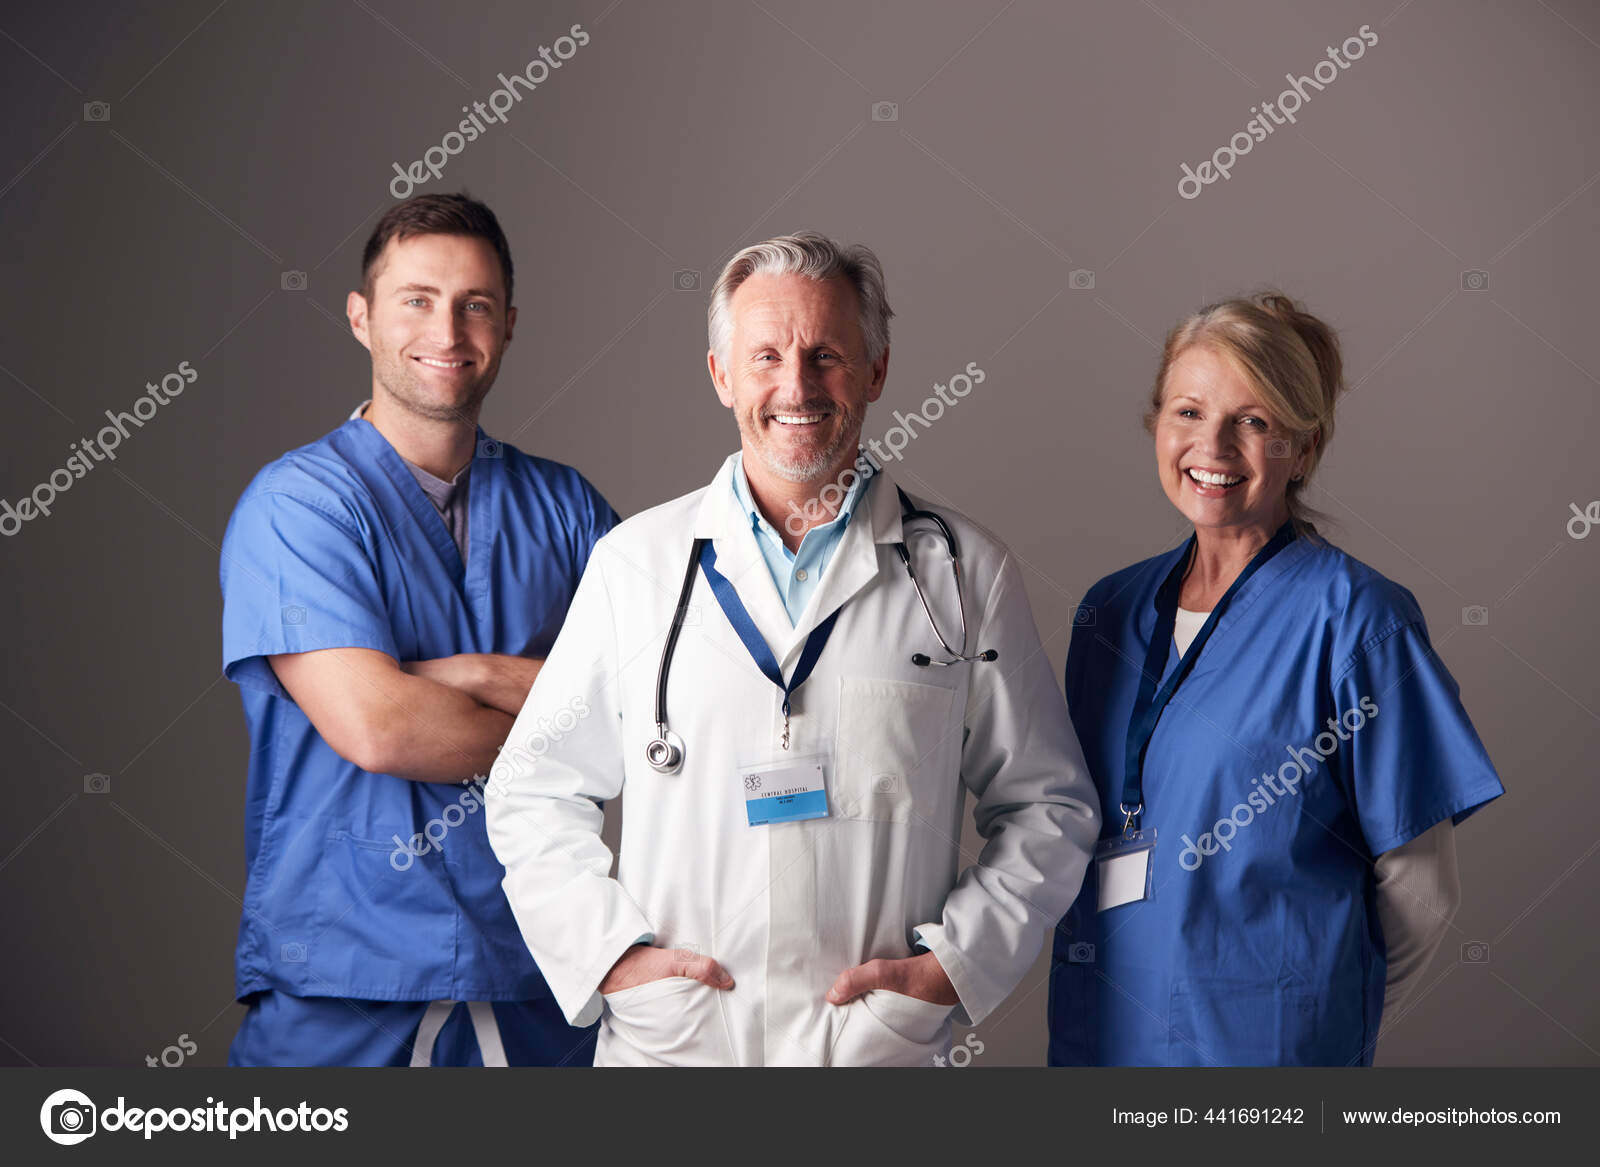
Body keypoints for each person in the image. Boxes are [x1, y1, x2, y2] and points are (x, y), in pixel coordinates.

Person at [485, 231, 1099, 1066]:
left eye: (826, 356)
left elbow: (1048, 805)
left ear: (877, 372)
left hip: (874, 1046)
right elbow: (532, 789)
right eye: (766, 355)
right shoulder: (637, 564)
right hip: (681, 1043)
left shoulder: (961, 572)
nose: (796, 385)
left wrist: (956, 966)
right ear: (722, 375)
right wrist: (610, 957)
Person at [1048, 291, 1504, 1066]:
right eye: (1188, 412)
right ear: (1156, 424)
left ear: (1305, 446)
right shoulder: (1109, 614)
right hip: (1105, 1036)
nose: (1213, 446)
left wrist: (1310, 1011)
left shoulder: (1358, 621)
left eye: (1253, 422)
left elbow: (1422, 894)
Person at [219, 193, 617, 1066]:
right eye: (416, 299)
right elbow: (381, 726)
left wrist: (463, 673)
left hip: (542, 974)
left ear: (507, 326)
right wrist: (564, 715)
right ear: (361, 317)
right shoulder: (299, 507)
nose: (448, 327)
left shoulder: (569, 510)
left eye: (474, 304)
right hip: (346, 982)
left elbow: (659, 712)